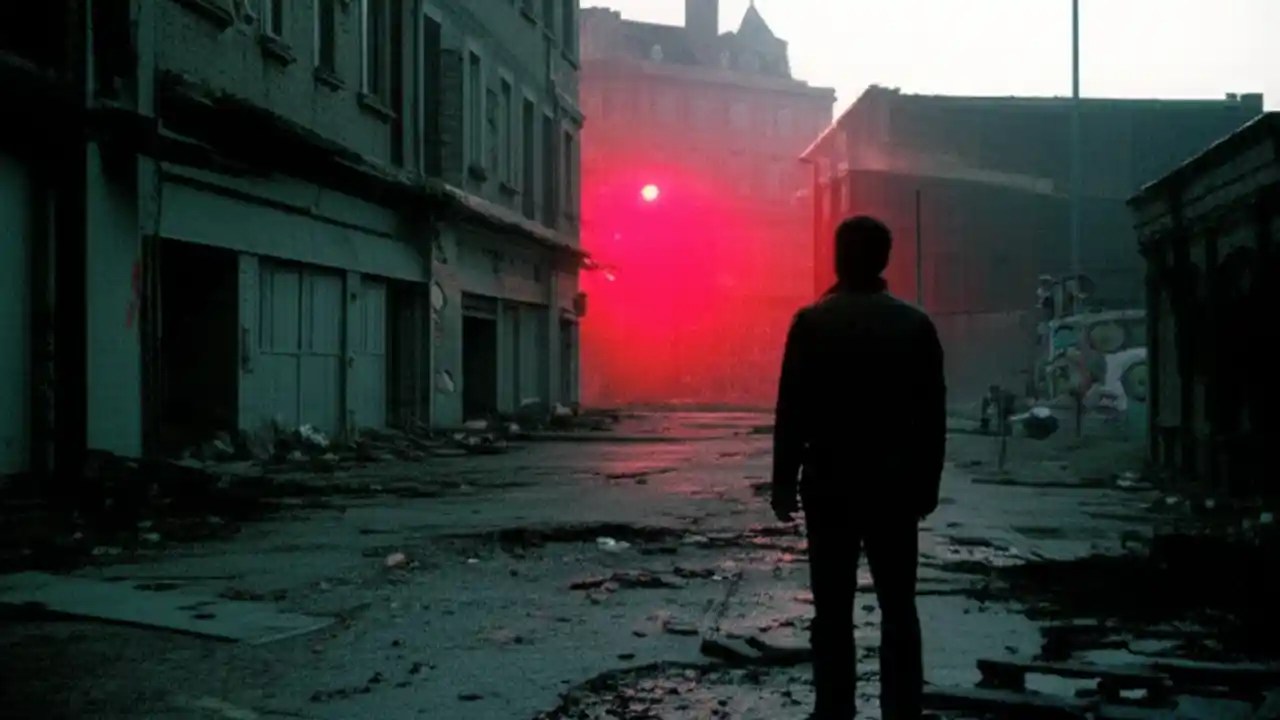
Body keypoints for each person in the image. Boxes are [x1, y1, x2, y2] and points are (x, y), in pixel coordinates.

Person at [772, 216, 947, 720]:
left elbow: (792, 408)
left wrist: (784, 483)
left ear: (838, 258)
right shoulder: (914, 325)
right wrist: (926, 483)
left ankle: (834, 707)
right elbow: (931, 412)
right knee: (898, 606)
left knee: (832, 609)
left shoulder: (812, 322)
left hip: (829, 484)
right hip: (894, 487)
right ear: (884, 259)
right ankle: (902, 708)